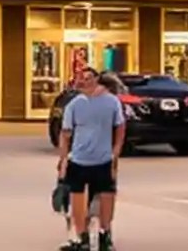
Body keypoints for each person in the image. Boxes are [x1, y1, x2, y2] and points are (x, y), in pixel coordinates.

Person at [57, 67, 124, 251]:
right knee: (77, 200)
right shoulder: (74, 105)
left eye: (88, 78)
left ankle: (105, 235)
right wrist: (63, 159)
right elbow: (65, 133)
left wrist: (115, 153)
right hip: (79, 160)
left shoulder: (112, 102)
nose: (84, 81)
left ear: (96, 79)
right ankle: (82, 237)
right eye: (81, 78)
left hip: (103, 160)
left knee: (106, 198)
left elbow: (120, 127)